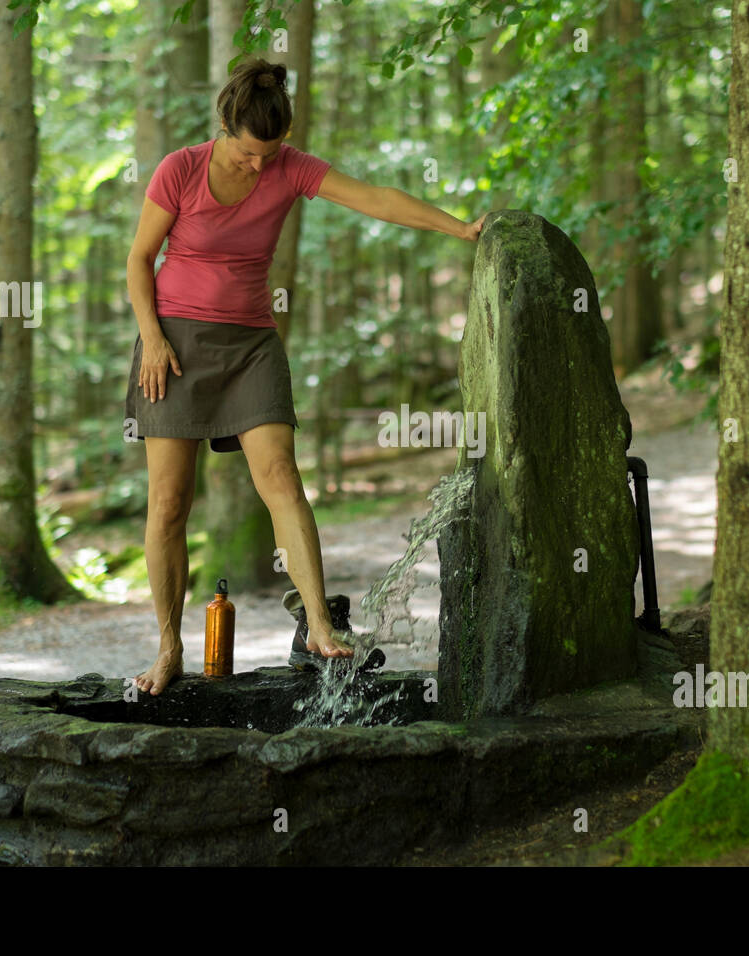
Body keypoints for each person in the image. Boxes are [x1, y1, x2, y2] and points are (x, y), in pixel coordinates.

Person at [125, 57, 486, 695]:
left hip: (252, 347)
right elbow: (139, 259)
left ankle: (320, 625)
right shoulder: (180, 169)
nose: (259, 165)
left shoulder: (289, 167)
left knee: (282, 478)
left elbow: (375, 198)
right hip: (174, 344)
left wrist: (458, 228)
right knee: (169, 504)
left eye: (271, 153)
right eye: (247, 151)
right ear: (225, 125)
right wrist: (151, 338)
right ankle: (166, 649)